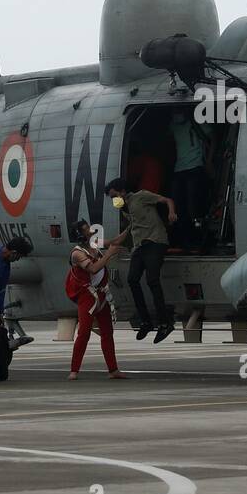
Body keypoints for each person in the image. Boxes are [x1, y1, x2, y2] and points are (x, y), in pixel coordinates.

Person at [105, 177, 178, 343]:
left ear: (122, 191)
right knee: (132, 279)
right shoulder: (125, 210)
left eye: (114, 196)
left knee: (152, 280)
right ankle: (146, 321)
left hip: (155, 242)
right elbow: (130, 228)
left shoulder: (141, 196)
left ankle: (165, 323)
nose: (114, 200)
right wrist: (111, 242)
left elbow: (167, 200)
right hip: (139, 246)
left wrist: (171, 212)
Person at [66, 220, 125, 380]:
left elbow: (114, 241)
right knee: (84, 333)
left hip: (101, 294)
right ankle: (74, 370)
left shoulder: (94, 243)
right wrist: (109, 254)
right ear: (79, 234)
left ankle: (113, 370)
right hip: (87, 295)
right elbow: (93, 268)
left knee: (107, 332)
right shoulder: (77, 253)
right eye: (86, 230)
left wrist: (130, 226)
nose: (91, 231)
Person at [168, 110, 210, 250]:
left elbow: (212, 137)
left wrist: (209, 161)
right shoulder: (173, 125)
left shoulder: (198, 122)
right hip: (179, 169)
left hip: (195, 166)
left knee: (194, 205)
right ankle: (184, 239)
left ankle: (197, 238)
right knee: (179, 206)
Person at [0, 235, 34, 356]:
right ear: (13, 252)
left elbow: (0, 291)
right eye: (18, 257)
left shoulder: (5, 267)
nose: (17, 260)